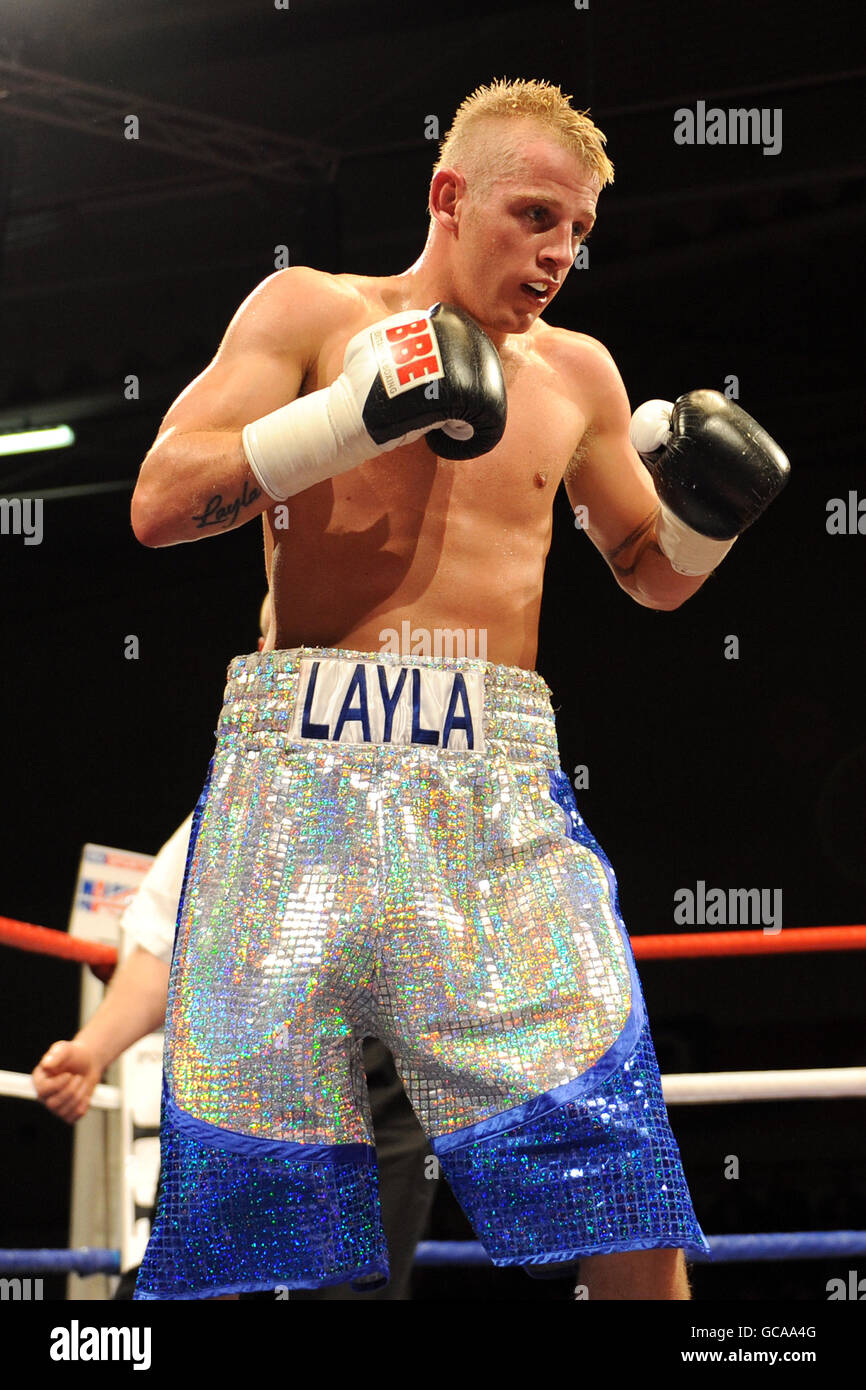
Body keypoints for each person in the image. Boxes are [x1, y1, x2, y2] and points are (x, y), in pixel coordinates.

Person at [128, 78, 789, 1301]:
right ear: (448, 194)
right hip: (301, 785)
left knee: (617, 1159)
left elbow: (647, 572)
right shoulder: (312, 309)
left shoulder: (579, 374)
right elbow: (161, 502)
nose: (558, 254)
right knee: (257, 1199)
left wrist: (708, 524)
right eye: (534, 216)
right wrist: (347, 419)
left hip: (494, 796)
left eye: (577, 231)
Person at [31, 606, 434, 1300]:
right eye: (272, 634)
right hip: (240, 1081)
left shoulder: (437, 784)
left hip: (378, 1096)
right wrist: (93, 1050)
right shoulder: (237, 797)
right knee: (188, 1288)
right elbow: (166, 938)